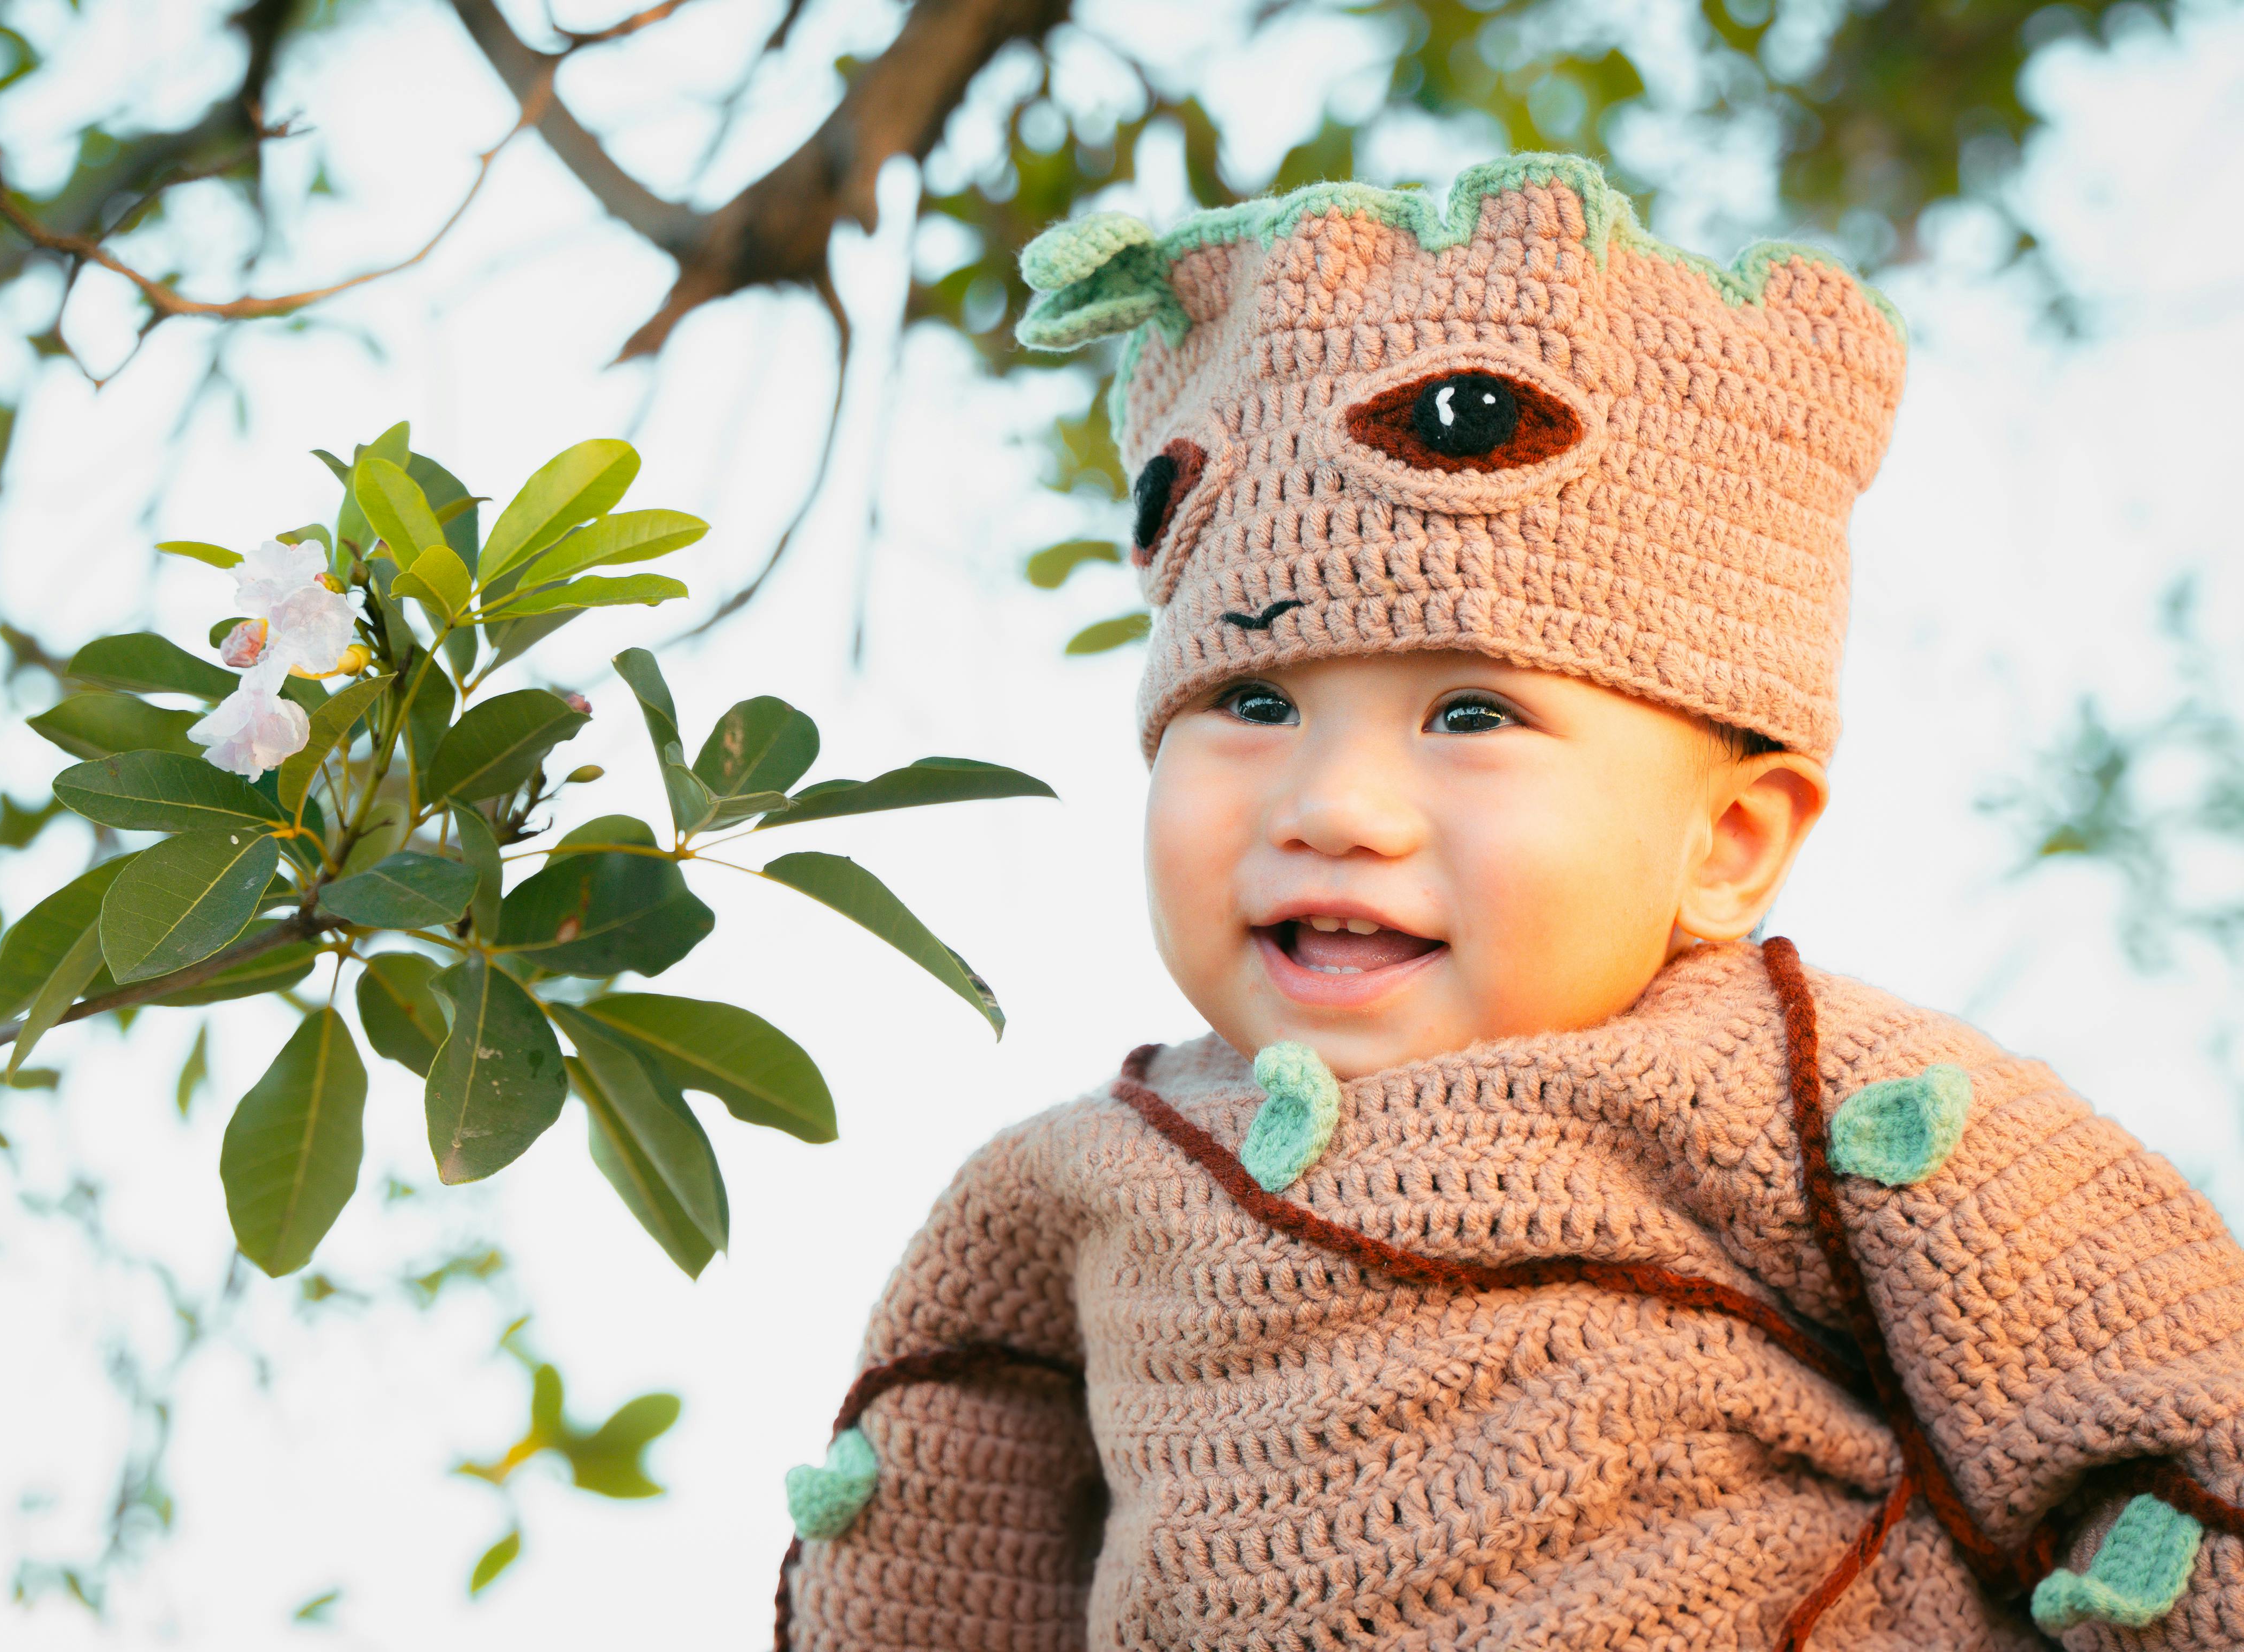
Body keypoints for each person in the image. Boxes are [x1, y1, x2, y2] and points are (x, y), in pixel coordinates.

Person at [772, 153, 2244, 1650]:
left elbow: (2168, 1412)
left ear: (1729, 842)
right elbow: (926, 1554)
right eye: (1257, 700)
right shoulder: (1066, 1193)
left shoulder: (1807, 1094)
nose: (1331, 806)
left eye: (1471, 716)